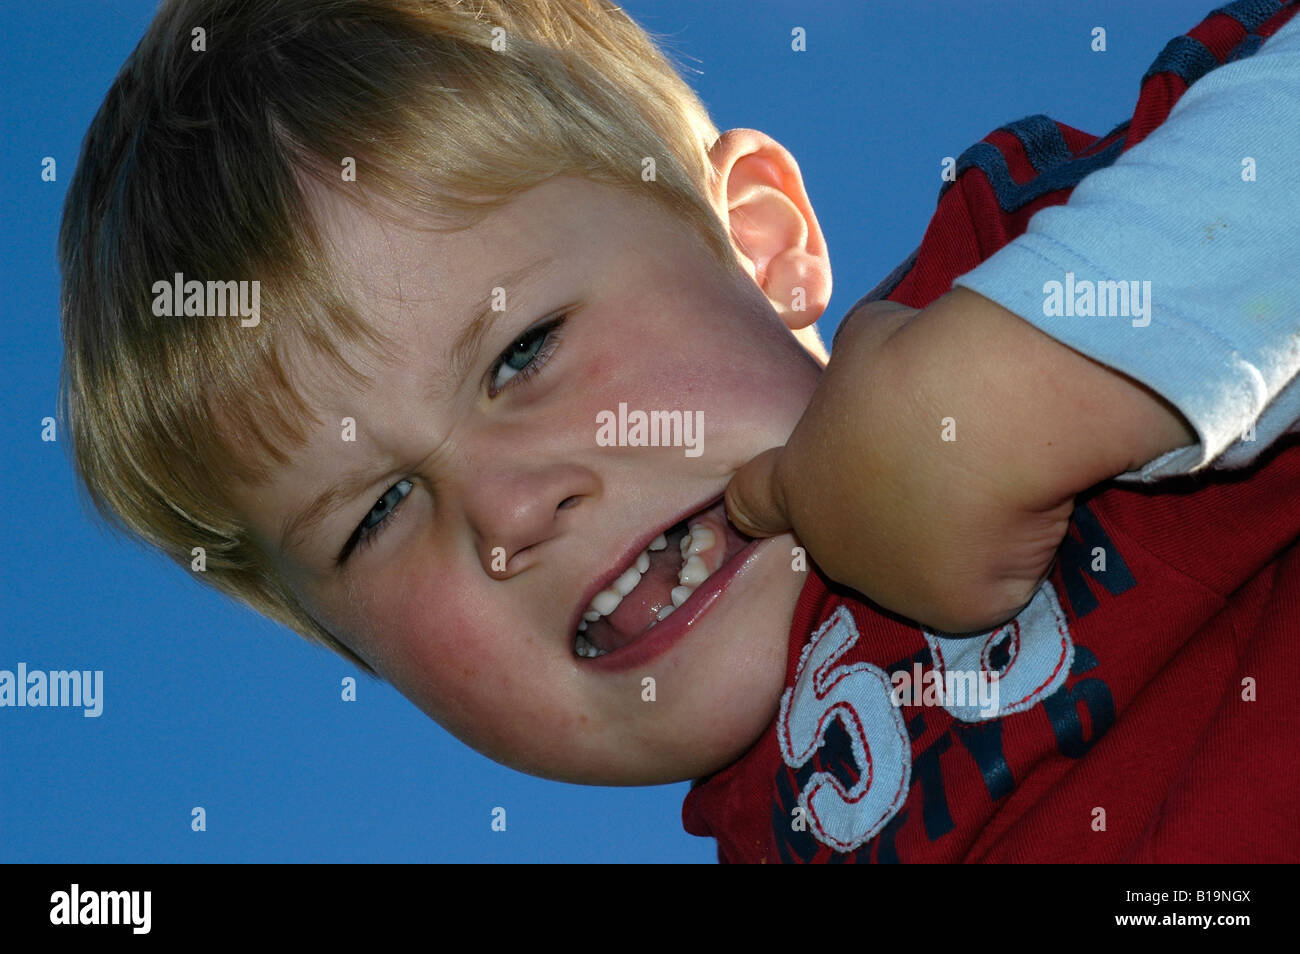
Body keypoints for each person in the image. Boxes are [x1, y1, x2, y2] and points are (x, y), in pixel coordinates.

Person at [58, 0, 1297, 861]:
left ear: (759, 243)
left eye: (523, 351)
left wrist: (1043, 372)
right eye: (375, 513)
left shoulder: (1014, 274)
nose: (506, 505)